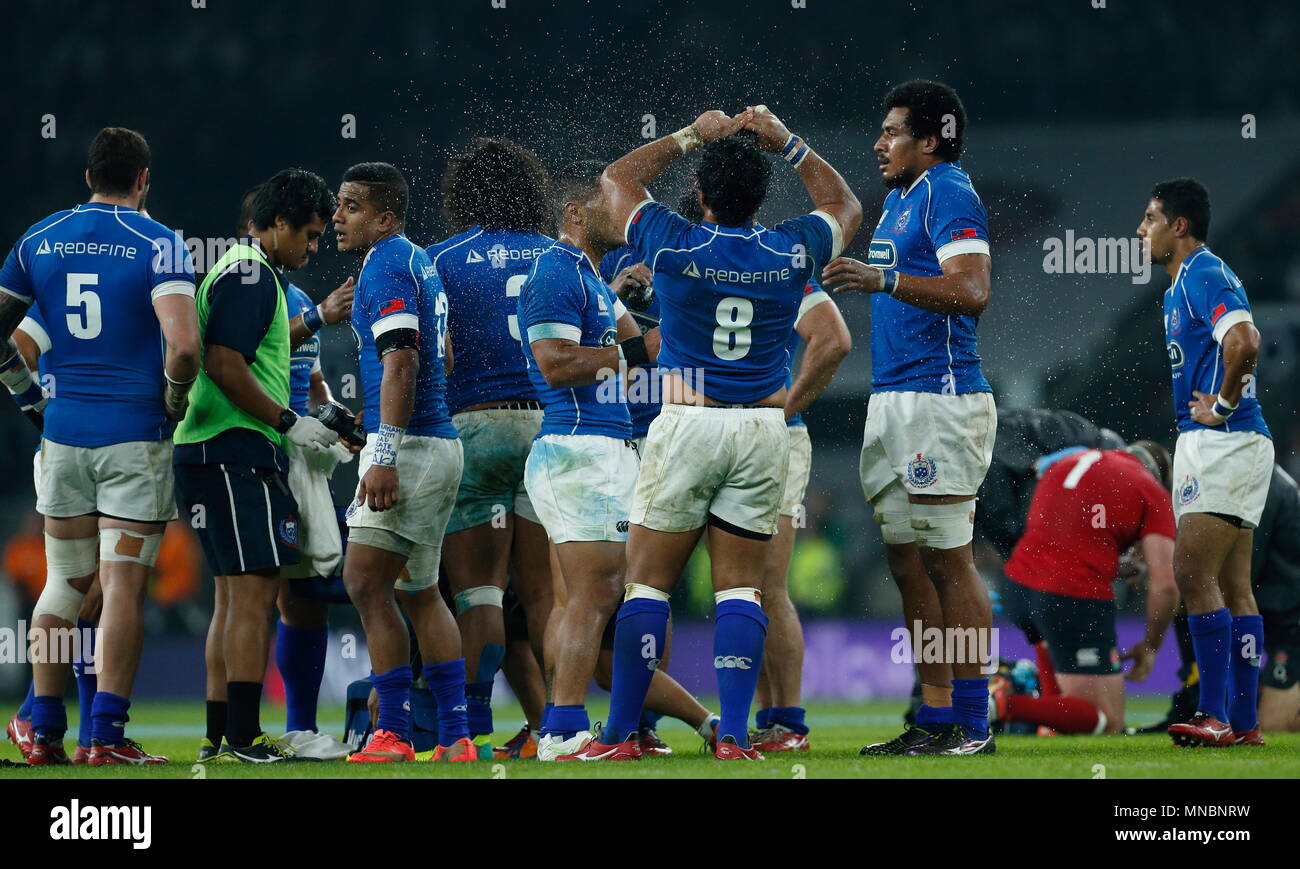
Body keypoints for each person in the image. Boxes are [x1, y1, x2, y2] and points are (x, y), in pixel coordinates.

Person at [575, 105, 861, 761]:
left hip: (687, 423)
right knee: (741, 588)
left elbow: (615, 179)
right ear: (763, 196)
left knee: (647, 586)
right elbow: (842, 203)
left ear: (700, 194)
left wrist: (687, 137)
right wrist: (787, 141)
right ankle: (734, 734)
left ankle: (619, 734)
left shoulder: (673, 244)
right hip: (763, 427)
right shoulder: (792, 249)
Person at [0, 127, 200, 765]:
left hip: (62, 438)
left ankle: (44, 732)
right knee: (119, 589)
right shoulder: (159, 244)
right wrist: (172, 401)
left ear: (88, 176)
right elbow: (186, 348)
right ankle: (105, 737)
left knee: (62, 585)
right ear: (143, 180)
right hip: (133, 440)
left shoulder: (38, 240)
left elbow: (6, 339)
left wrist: (33, 403)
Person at [823, 80, 998, 756]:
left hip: (941, 399)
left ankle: (975, 724)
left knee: (951, 561)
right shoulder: (900, 199)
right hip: (894, 399)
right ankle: (932, 713)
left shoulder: (949, 189)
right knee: (906, 561)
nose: (879, 142)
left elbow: (974, 291)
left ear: (930, 140)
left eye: (892, 131)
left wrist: (882, 279)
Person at [174, 168, 341, 763]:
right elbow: (222, 361)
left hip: (212, 451)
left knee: (231, 599)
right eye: (310, 235)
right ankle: (245, 738)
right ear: (277, 224)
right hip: (234, 450)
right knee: (251, 597)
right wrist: (288, 420)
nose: (314, 247)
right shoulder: (251, 273)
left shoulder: (238, 270)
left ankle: (220, 738)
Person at [333, 162, 474, 763]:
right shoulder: (421, 263)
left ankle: (391, 733)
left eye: (352, 207)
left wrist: (383, 452)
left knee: (364, 583)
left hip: (411, 448)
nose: (338, 217)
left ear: (384, 217)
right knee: (419, 592)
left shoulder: (388, 263)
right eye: (339, 205)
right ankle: (456, 737)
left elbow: (405, 362)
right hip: (437, 443)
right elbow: (442, 352)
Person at [516, 160, 656, 761]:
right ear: (575, 213)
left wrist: (649, 297)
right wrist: (634, 352)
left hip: (593, 451)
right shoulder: (554, 268)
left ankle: (563, 723)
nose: (623, 211)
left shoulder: (592, 278)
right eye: (610, 202)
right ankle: (563, 732)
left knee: (584, 598)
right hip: (579, 449)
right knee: (596, 597)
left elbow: (639, 344)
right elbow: (555, 363)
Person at [426, 138, 556, 749]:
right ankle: (560, 728)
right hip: (548, 429)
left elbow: (429, 359)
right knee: (545, 598)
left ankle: (471, 731)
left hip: (474, 427)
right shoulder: (561, 256)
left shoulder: (439, 260)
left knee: (477, 592)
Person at [1137, 177, 1272, 747]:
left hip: (1222, 440)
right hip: (1231, 443)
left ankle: (1213, 714)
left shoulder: (1202, 274)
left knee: (1192, 574)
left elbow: (1245, 340)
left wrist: (1220, 406)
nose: (1141, 230)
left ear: (1179, 226)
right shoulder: (1179, 288)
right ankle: (1243, 724)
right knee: (1236, 587)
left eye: (1150, 218)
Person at [997, 442, 1178, 733]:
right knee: (1107, 720)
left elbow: (1066, 534)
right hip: (1069, 597)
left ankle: (1047, 722)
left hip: (1017, 584)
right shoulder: (1150, 489)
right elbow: (1166, 585)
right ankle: (1000, 702)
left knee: (1065, 706)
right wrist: (1151, 646)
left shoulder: (1068, 461)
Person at [751, 280, 852, 753]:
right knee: (746, 591)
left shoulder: (780, 264)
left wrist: (784, 408)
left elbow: (833, 339)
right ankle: (766, 720)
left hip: (755, 430)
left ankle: (784, 721)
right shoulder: (779, 263)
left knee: (763, 588)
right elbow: (832, 338)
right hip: (723, 431)